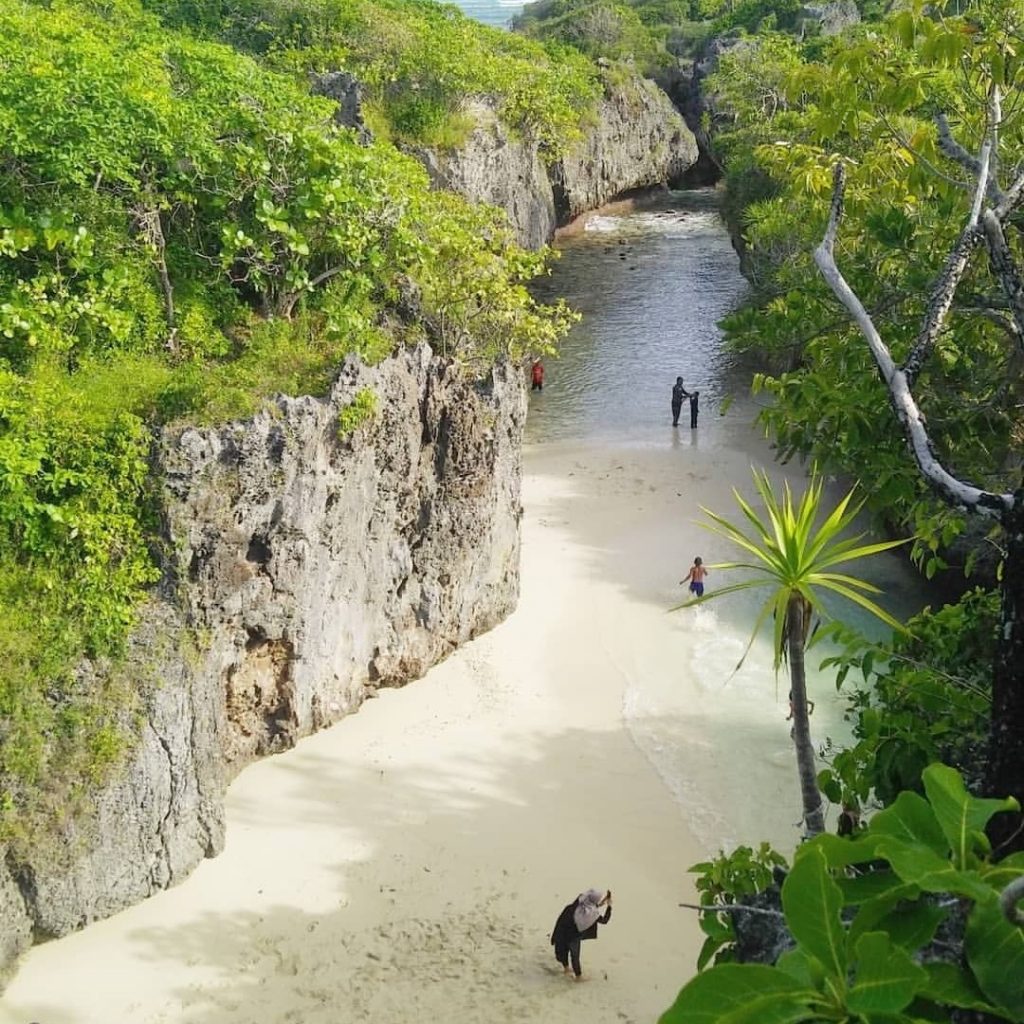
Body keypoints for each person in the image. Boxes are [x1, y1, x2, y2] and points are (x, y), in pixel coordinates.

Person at [550, 888, 612, 980]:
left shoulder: (579, 902)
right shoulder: (592, 914)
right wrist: (609, 906)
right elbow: (604, 920)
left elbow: (591, 906)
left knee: (563, 949)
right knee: (575, 956)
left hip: (563, 929)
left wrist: (603, 901)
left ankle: (566, 968)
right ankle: (578, 977)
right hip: (574, 935)